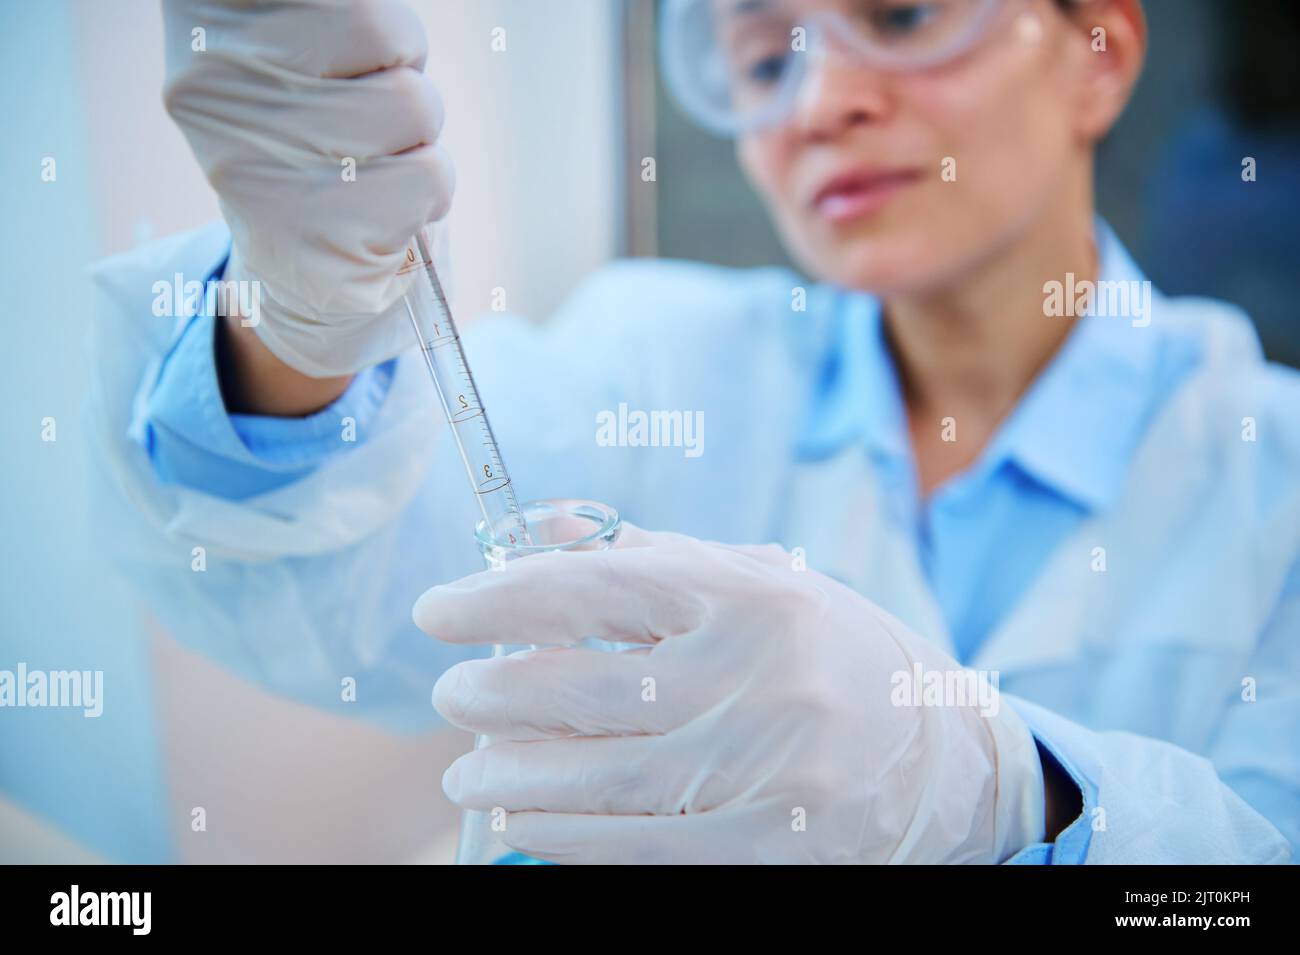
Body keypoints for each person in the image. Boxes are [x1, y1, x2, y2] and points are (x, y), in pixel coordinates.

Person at [87, 0, 1298, 863]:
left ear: (1097, 56)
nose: (822, 100)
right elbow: (329, 588)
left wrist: (1009, 798)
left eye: (906, 15)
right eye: (767, 60)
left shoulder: (1274, 475)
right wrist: (304, 319)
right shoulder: (655, 364)